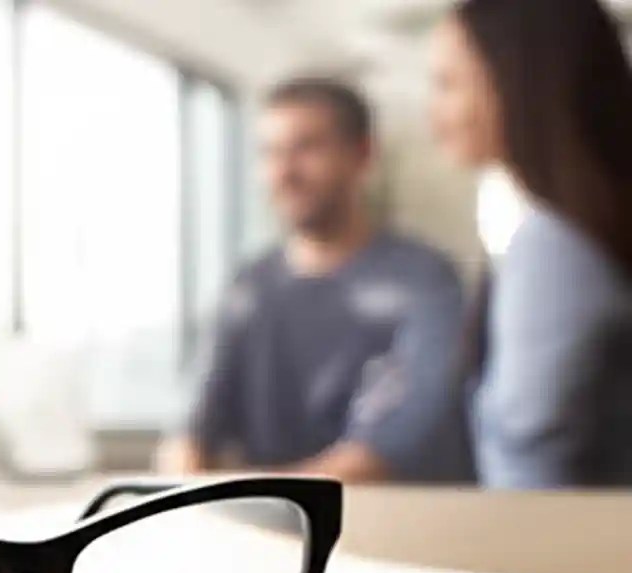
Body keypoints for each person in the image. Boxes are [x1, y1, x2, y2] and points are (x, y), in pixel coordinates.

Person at [158, 79, 472, 484]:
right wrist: (188, 478)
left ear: (361, 155)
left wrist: (268, 498)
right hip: (266, 526)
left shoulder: (426, 281)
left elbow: (397, 444)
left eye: (306, 148)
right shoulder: (247, 288)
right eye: (270, 152)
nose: (284, 172)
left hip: (384, 522)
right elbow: (188, 433)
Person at [430, 0, 632, 488]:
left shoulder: (554, 252)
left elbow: (529, 465)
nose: (433, 113)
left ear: (517, 82)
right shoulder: (584, 230)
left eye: (448, 84)